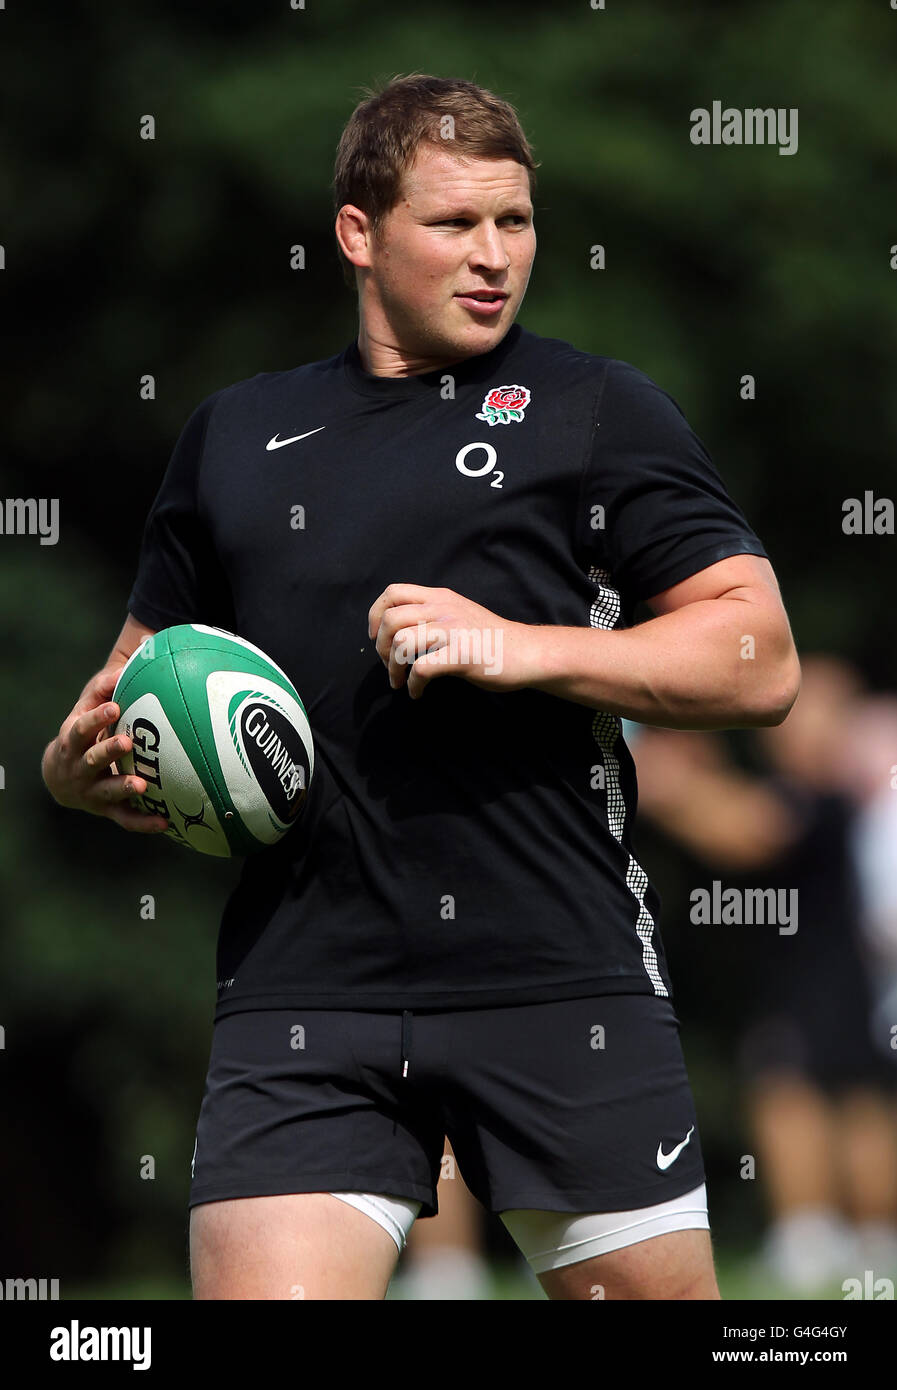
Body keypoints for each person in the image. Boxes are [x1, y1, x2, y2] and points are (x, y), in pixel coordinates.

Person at [40, 73, 800, 1300]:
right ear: (359, 232)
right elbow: (137, 683)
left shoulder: (594, 411)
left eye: (517, 222)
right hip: (305, 993)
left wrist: (522, 644)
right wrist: (79, 771)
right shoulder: (236, 434)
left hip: (560, 974)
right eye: (456, 224)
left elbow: (761, 660)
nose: (496, 255)